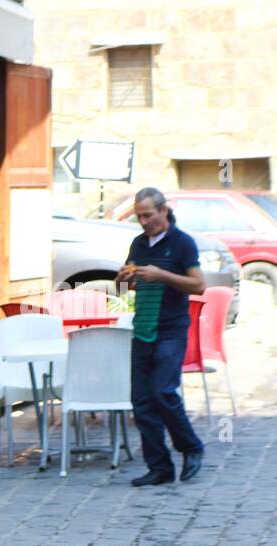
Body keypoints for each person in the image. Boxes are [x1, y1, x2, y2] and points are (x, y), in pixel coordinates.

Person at [117, 187, 206, 486]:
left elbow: (198, 285)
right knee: (141, 401)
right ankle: (159, 468)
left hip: (170, 329)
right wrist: (125, 279)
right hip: (143, 328)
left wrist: (163, 275)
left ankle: (191, 447)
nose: (143, 222)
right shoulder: (138, 244)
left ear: (163, 211)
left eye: (148, 215)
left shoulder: (182, 243)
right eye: (139, 216)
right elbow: (133, 288)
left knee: (163, 392)